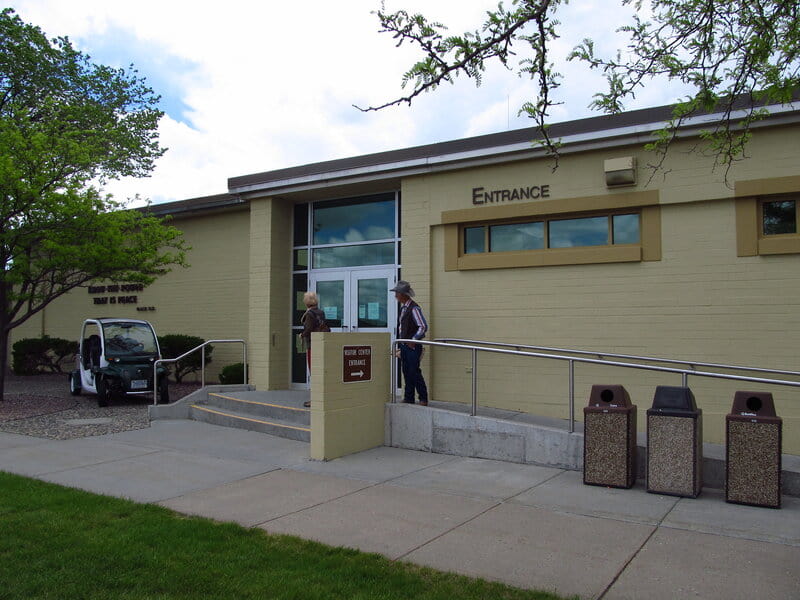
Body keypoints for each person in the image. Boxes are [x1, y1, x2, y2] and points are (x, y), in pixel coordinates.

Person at [390, 280, 428, 406]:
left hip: (412, 346)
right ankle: (409, 397)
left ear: (403, 294)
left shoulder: (414, 308)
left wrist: (414, 340)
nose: (395, 295)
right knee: (406, 371)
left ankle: (423, 398)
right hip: (404, 345)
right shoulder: (404, 308)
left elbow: (422, 326)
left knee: (414, 371)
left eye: (397, 293)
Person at [299, 291, 328, 407]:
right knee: (319, 371)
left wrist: (302, 335)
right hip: (320, 344)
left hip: (312, 345)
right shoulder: (321, 312)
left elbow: (309, 329)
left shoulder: (310, 314)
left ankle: (314, 399)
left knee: (314, 372)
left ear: (306, 302)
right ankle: (320, 397)